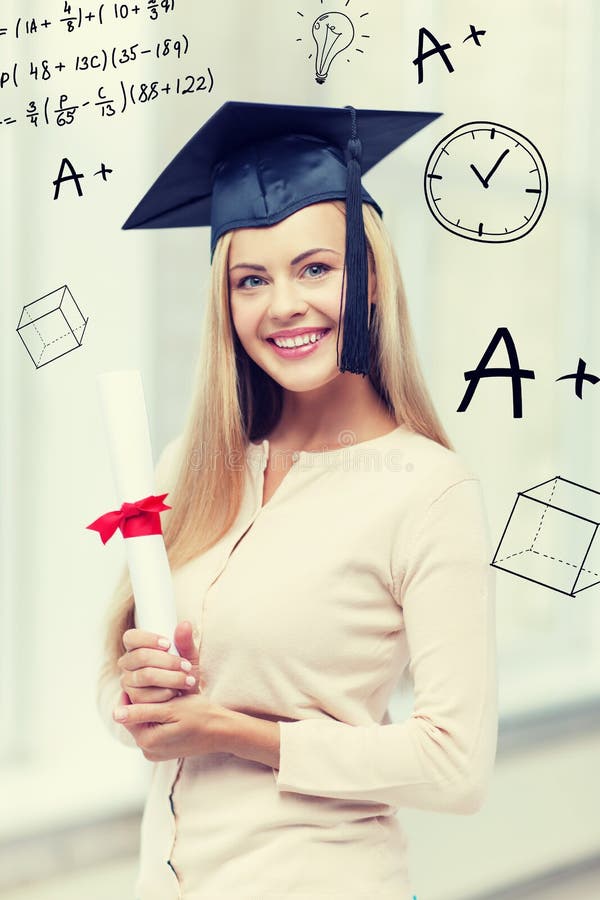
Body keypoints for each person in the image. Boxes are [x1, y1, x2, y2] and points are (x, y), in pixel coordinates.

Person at [97, 101, 498, 900]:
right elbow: (118, 693)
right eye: (252, 280)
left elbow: (457, 766)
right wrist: (136, 693)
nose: (283, 304)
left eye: (315, 269)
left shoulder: (427, 490)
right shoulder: (190, 466)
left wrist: (234, 732)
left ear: (371, 279)